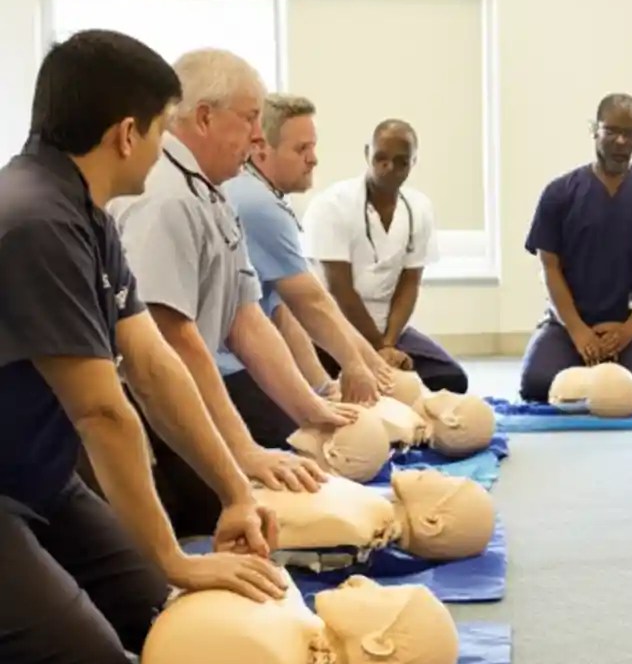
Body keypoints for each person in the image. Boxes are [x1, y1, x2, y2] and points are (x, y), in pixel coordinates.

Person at [0, 29, 286, 664]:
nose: (164, 148)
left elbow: (155, 367)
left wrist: (236, 492)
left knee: (179, 622)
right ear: (129, 134)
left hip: (39, 479)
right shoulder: (34, 220)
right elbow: (103, 412)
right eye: (163, 129)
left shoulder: (88, 217)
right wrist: (172, 555)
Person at [108, 48, 353, 538]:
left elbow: (247, 318)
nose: (259, 135)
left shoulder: (214, 193)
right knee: (246, 503)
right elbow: (171, 340)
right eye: (249, 119)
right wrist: (240, 452)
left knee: (286, 475)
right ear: (204, 118)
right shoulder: (165, 198)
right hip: (137, 399)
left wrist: (312, 407)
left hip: (182, 388)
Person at [219, 93, 390, 421]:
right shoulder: (257, 203)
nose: (313, 159)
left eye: (312, 147)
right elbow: (311, 303)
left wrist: (324, 386)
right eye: (301, 149)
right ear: (260, 149)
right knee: (338, 437)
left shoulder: (256, 194)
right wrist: (358, 366)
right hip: (224, 370)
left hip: (240, 355)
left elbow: (284, 311)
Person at [519, 93, 632, 405]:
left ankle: (605, 369)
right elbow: (549, 268)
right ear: (594, 130)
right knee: (537, 384)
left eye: (630, 133)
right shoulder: (560, 194)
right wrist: (578, 332)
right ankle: (596, 367)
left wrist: (629, 329)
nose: (621, 141)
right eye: (611, 131)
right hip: (568, 322)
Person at [302, 119, 468, 394]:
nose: (389, 168)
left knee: (450, 379)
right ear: (367, 153)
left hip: (388, 330)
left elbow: (410, 282)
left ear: (414, 162)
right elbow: (339, 288)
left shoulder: (419, 209)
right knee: (329, 387)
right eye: (381, 158)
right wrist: (377, 348)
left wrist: (388, 343)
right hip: (333, 328)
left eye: (401, 161)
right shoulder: (331, 206)